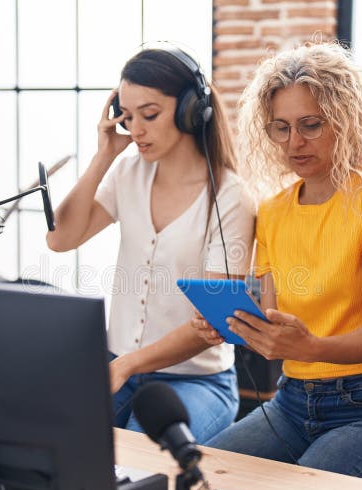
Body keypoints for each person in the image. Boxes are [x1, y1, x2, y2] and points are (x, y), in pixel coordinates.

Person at [194, 41, 362, 490]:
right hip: (291, 406)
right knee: (200, 479)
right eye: (280, 128)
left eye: (311, 125)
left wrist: (310, 347)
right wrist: (233, 324)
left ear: (346, 120)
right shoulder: (275, 210)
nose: (294, 143)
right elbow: (274, 315)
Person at [46, 45, 255, 442]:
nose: (136, 129)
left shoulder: (230, 196)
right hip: (118, 367)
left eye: (150, 114)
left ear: (191, 110)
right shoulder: (128, 171)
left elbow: (214, 318)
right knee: (61, 443)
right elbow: (61, 238)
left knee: (145, 453)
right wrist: (103, 156)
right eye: (126, 117)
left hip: (196, 382)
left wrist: (128, 365)